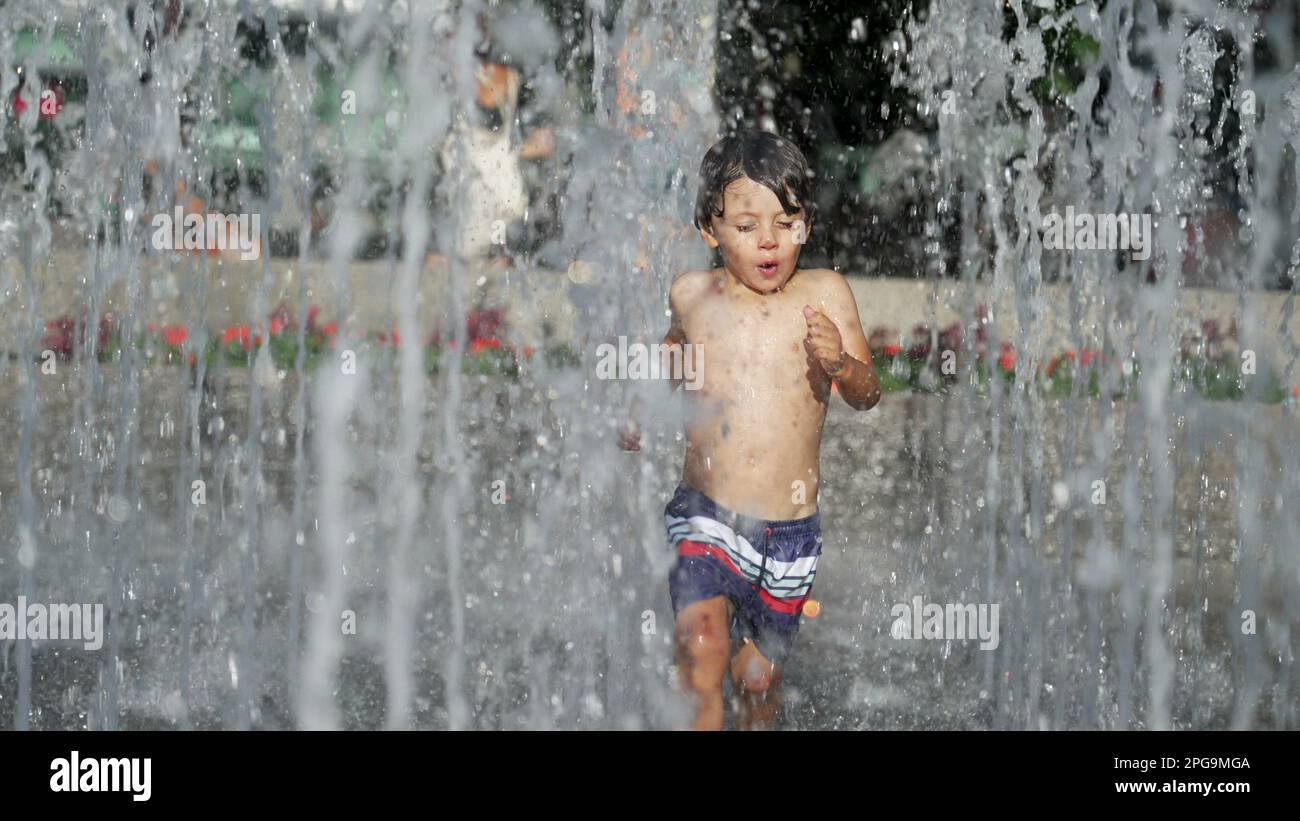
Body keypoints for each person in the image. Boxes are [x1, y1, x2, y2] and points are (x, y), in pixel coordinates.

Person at [618, 130, 882, 730]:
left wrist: (842, 364)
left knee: (756, 684)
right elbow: (669, 361)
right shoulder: (694, 296)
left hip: (790, 537)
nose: (768, 240)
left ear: (807, 226)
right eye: (746, 226)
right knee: (701, 655)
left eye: (785, 222)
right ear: (711, 232)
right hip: (706, 516)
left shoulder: (825, 294)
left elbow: (868, 396)